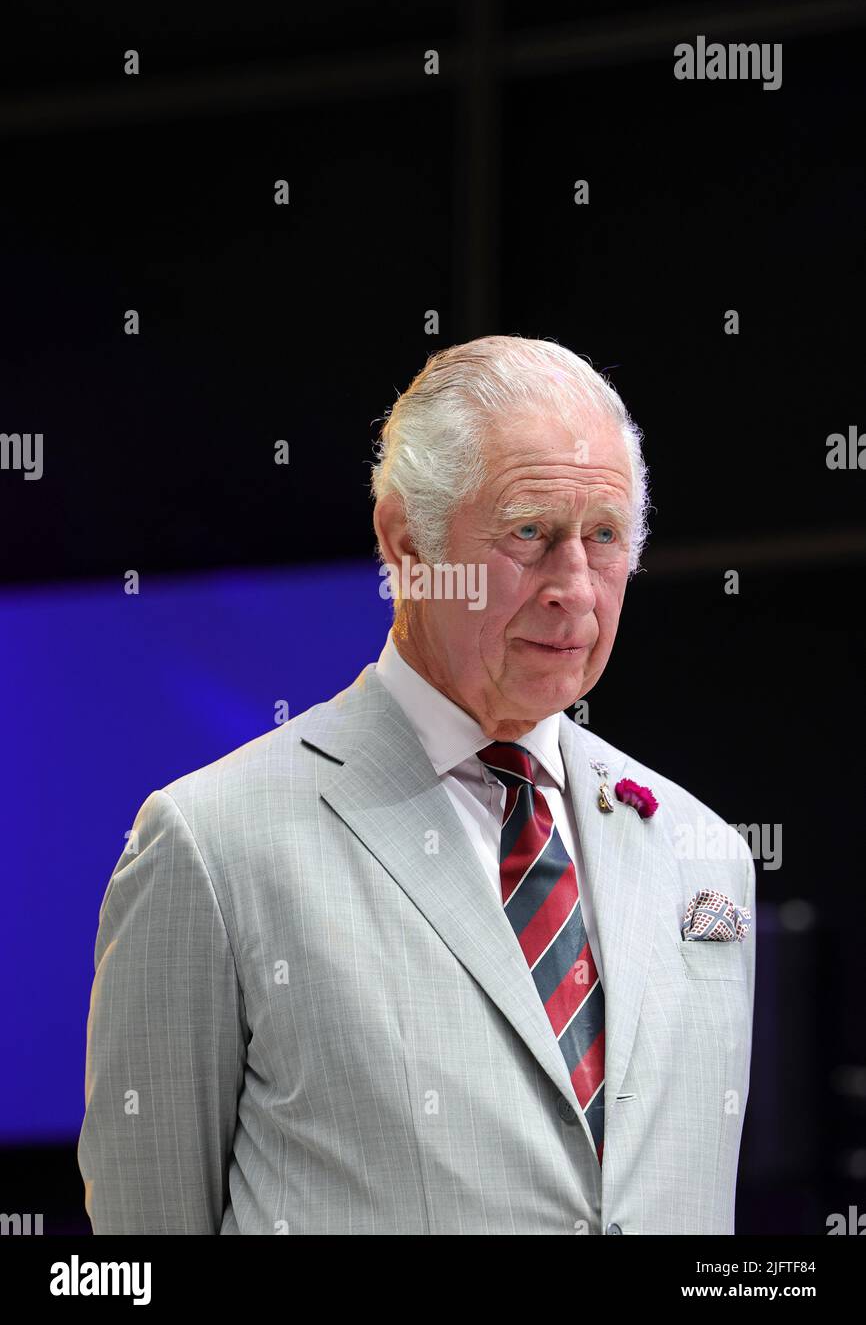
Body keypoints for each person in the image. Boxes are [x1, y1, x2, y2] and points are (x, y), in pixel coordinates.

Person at [78, 335, 756, 1234]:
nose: (577, 590)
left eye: (604, 536)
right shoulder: (212, 844)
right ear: (406, 544)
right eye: (529, 534)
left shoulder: (700, 851)